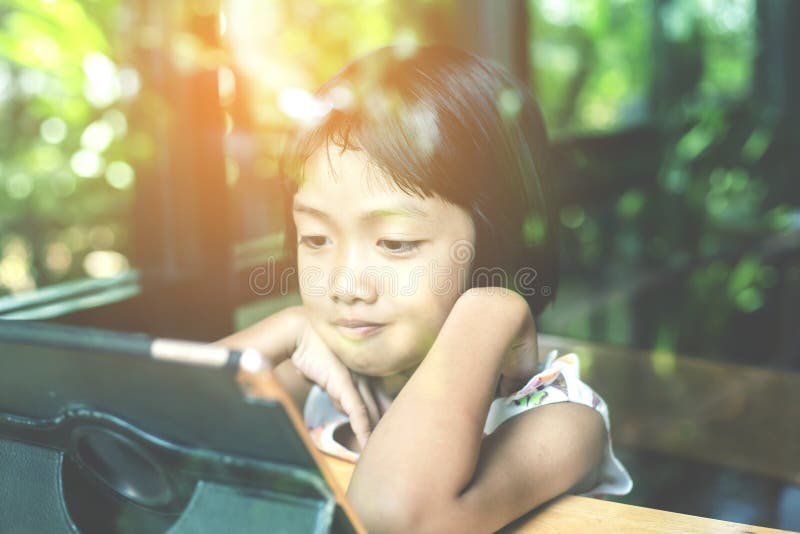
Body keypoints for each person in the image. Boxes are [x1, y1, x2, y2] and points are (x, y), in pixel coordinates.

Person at [222, 44, 632, 533]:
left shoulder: (558, 418)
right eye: (315, 238)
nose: (345, 284)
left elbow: (394, 516)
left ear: (494, 244)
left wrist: (490, 307)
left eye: (396, 243)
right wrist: (285, 329)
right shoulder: (316, 384)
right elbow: (133, 436)